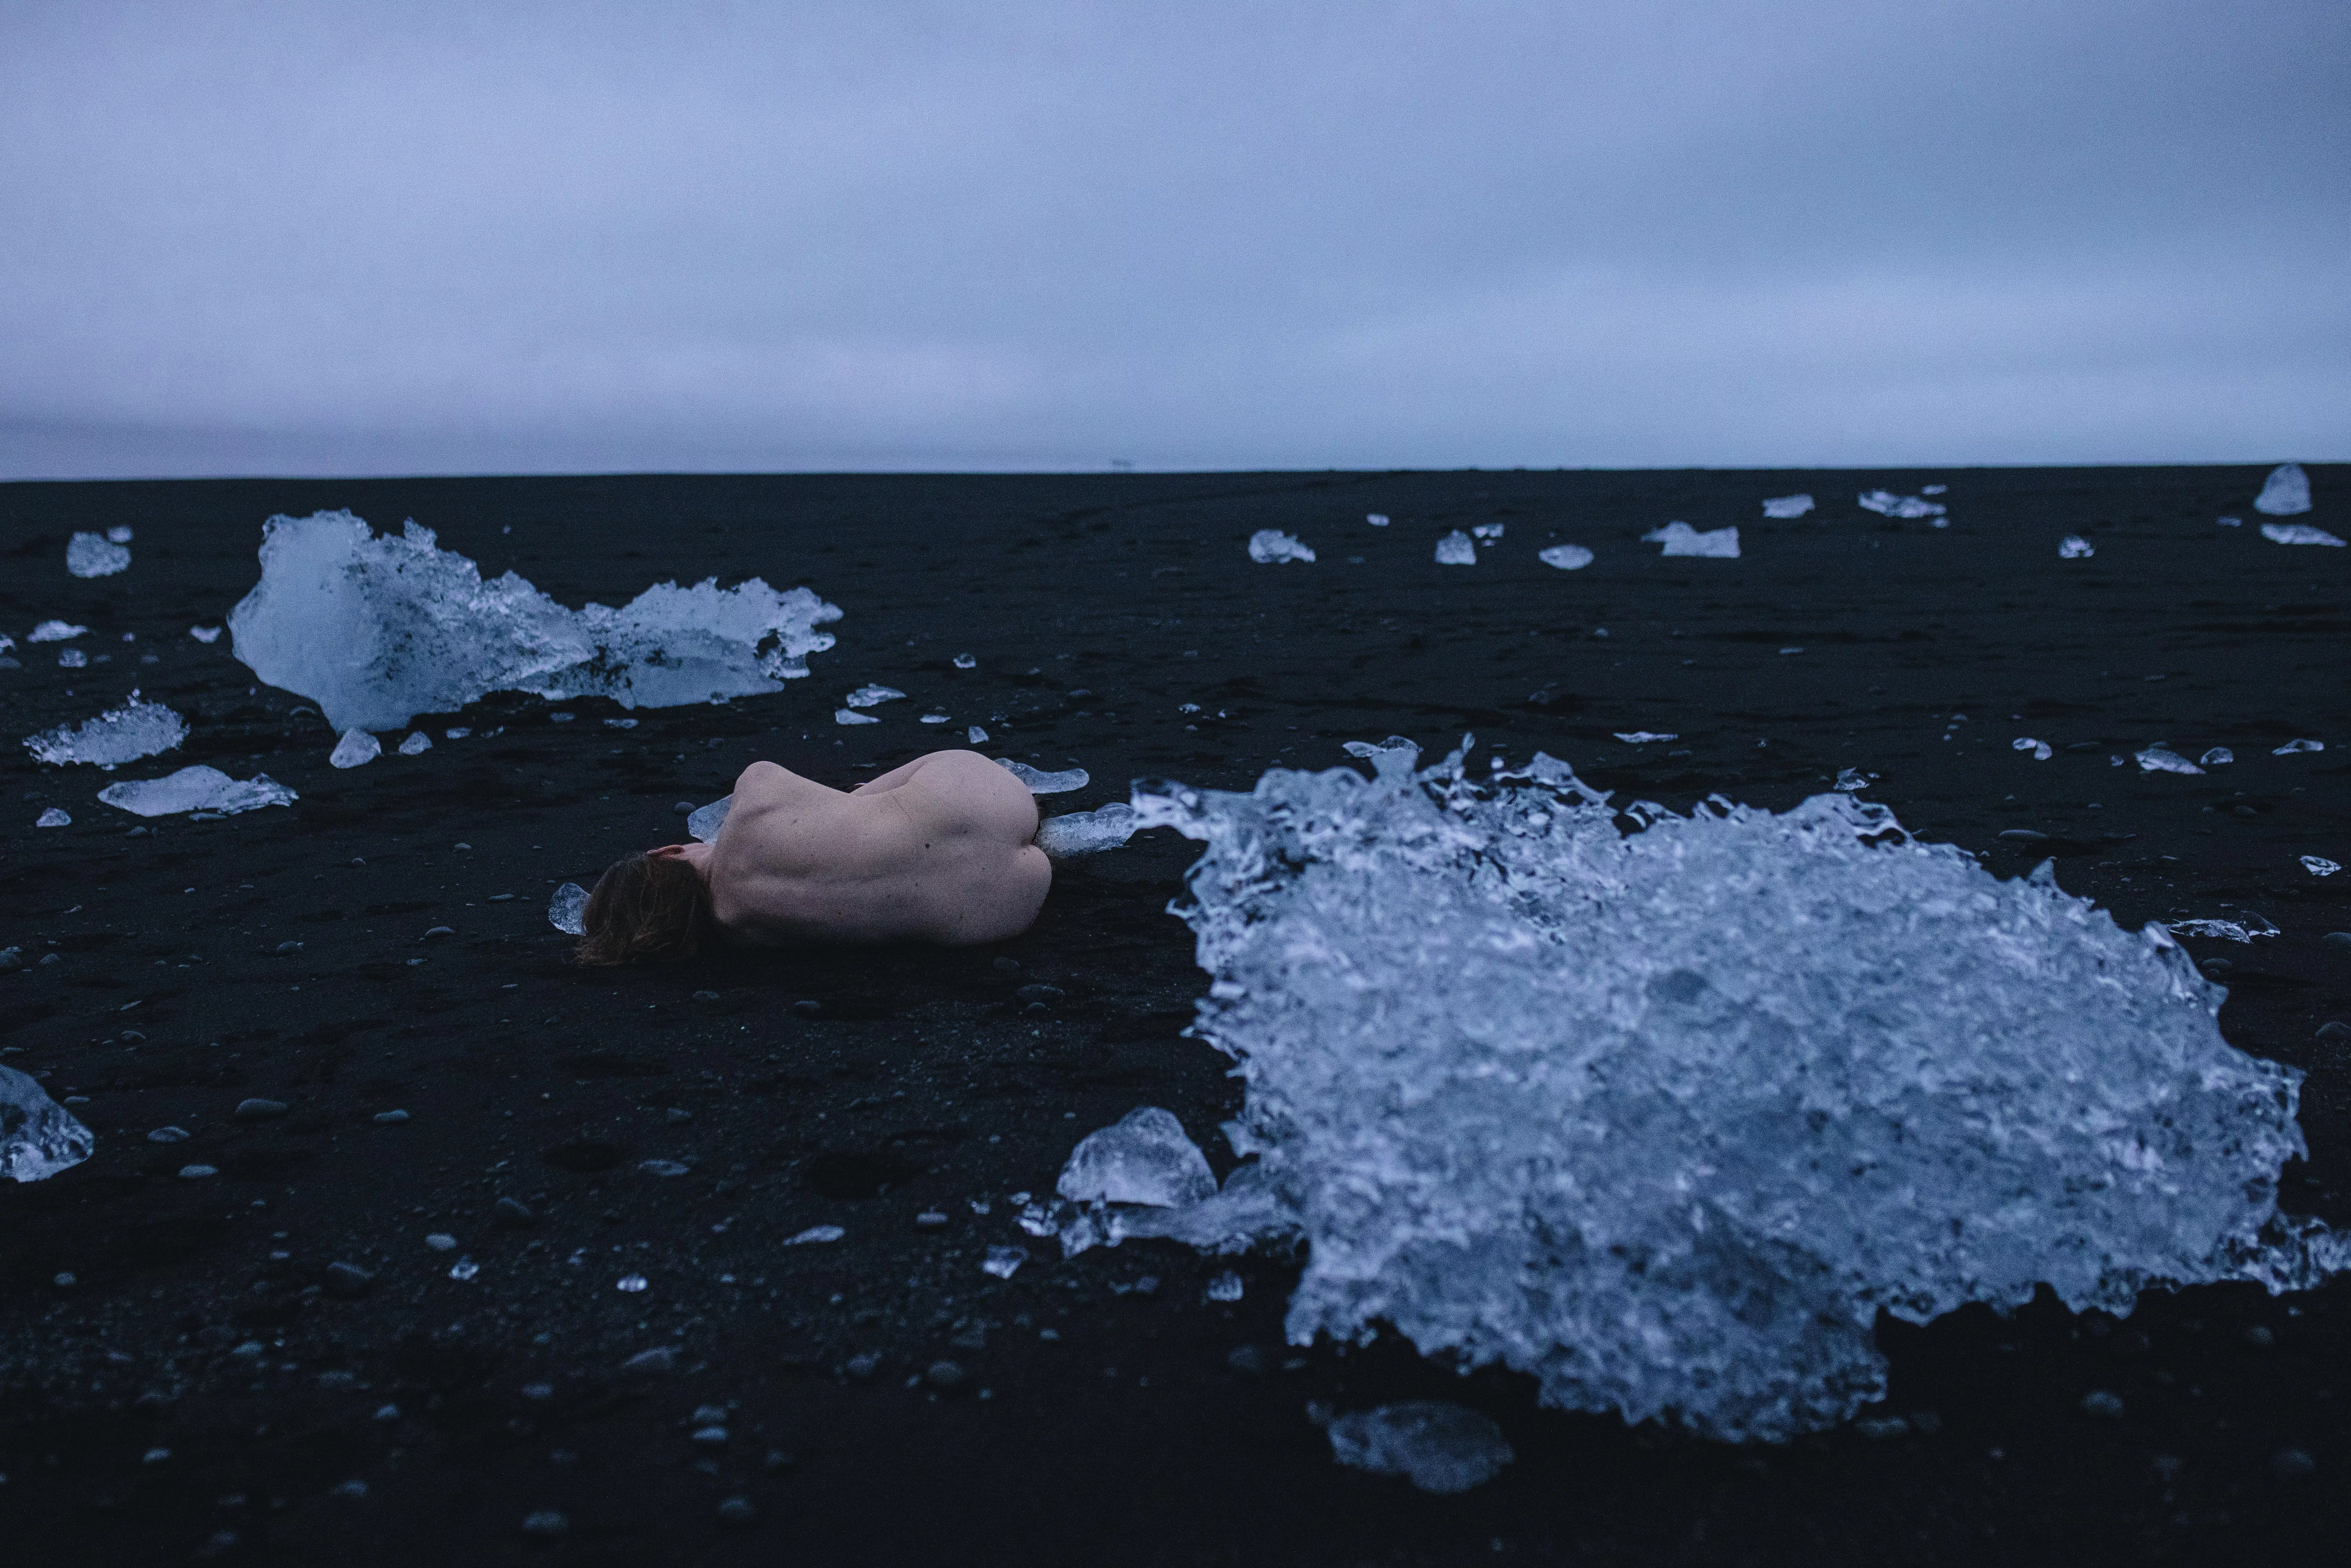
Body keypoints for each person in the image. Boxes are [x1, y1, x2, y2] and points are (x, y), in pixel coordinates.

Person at [574, 750, 1051, 963]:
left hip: (998, 910)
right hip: (984, 800)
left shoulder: (749, 940)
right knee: (863, 799)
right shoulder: (754, 794)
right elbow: (842, 807)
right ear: (669, 852)